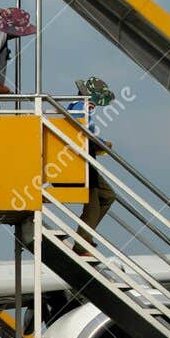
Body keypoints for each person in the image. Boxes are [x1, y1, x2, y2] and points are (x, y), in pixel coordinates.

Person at [74, 77, 118, 250]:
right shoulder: (81, 110)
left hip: (87, 159)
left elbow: (84, 134)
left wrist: (98, 142)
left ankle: (85, 236)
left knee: (108, 196)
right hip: (82, 162)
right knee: (92, 207)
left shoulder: (80, 109)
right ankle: (81, 244)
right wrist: (100, 143)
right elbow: (82, 134)